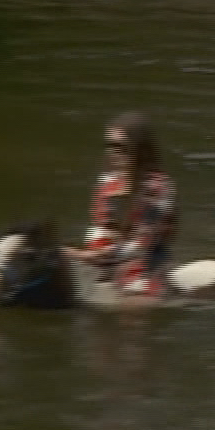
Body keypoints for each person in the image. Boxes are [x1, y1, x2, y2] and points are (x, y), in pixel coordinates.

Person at [65, 112, 178, 298]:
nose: (113, 152)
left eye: (121, 147)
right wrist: (90, 254)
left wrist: (86, 256)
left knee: (134, 301)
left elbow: (142, 243)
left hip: (144, 263)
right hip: (103, 258)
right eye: (109, 145)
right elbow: (100, 226)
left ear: (139, 149)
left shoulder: (157, 187)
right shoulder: (107, 181)